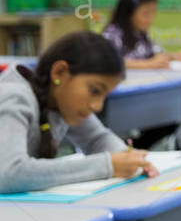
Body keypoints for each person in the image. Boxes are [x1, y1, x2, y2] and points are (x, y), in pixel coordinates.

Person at [0, 30, 155, 193]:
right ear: (59, 72)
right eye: (95, 90)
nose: (98, 106)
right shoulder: (15, 97)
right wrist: (107, 166)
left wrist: (127, 158)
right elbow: (8, 172)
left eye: (104, 95)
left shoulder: (59, 100)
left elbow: (97, 139)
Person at [101, 0, 181, 70]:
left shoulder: (139, 33)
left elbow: (155, 53)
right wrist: (148, 64)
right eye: (145, 13)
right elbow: (108, 62)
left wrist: (176, 56)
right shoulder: (112, 33)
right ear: (128, 13)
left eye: (153, 12)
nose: (151, 19)